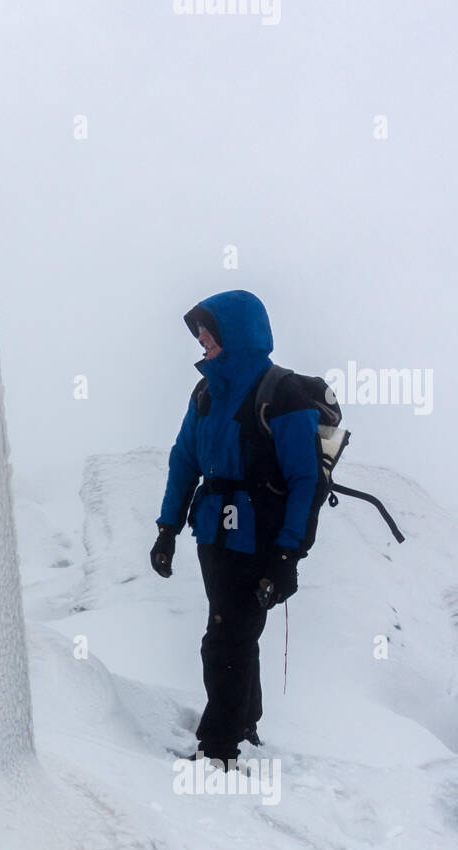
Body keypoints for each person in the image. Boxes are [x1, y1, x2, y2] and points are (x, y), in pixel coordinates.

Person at [150, 290, 321, 768]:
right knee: (237, 633)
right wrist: (168, 527)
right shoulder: (205, 393)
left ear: (235, 334)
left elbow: (305, 480)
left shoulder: (283, 394)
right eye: (201, 336)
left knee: (225, 638)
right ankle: (244, 726)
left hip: (261, 539)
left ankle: (219, 746)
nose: (202, 343)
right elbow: (184, 459)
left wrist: (288, 556)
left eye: (209, 335)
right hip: (214, 536)